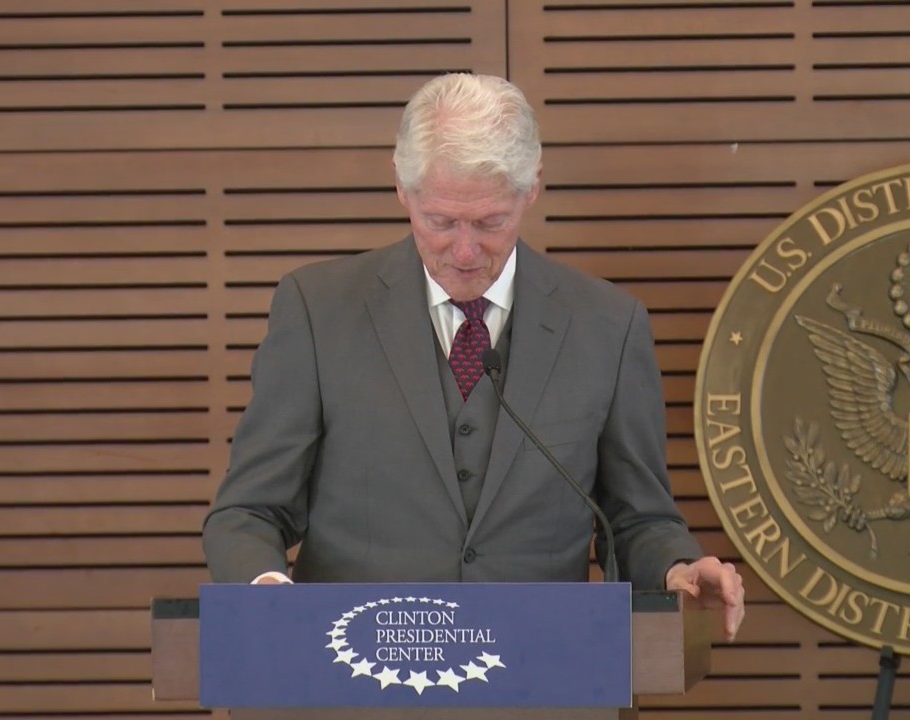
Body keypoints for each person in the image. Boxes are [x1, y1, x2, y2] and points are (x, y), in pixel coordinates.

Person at [203, 73, 745, 641]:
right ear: (401, 190)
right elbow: (247, 512)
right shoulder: (317, 311)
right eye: (440, 222)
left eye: (490, 223)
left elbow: (635, 519)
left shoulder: (608, 327)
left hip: (540, 679)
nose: (464, 252)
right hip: (355, 682)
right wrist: (266, 593)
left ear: (531, 188)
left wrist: (676, 567)